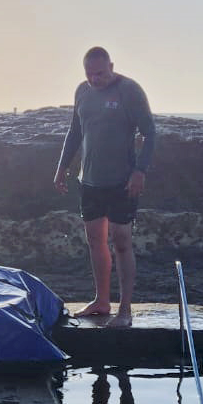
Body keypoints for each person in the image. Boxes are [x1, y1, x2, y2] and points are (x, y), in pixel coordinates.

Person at [53, 45, 155, 328]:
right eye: (89, 74)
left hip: (122, 180)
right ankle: (101, 300)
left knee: (121, 241)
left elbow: (150, 132)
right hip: (90, 180)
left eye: (100, 73)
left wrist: (140, 170)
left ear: (111, 66)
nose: (95, 79)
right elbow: (75, 131)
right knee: (95, 241)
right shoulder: (82, 92)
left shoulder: (129, 90)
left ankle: (125, 310)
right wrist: (62, 167)